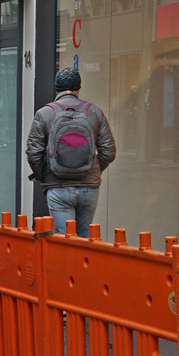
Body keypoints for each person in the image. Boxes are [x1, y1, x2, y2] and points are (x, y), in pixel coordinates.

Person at [25, 67, 116, 233]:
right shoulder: (94, 112)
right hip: (89, 187)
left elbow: (33, 153)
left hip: (58, 186)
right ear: (78, 88)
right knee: (83, 239)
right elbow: (108, 150)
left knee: (64, 240)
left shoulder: (44, 114)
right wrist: (92, 168)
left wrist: (45, 175)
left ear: (56, 88)